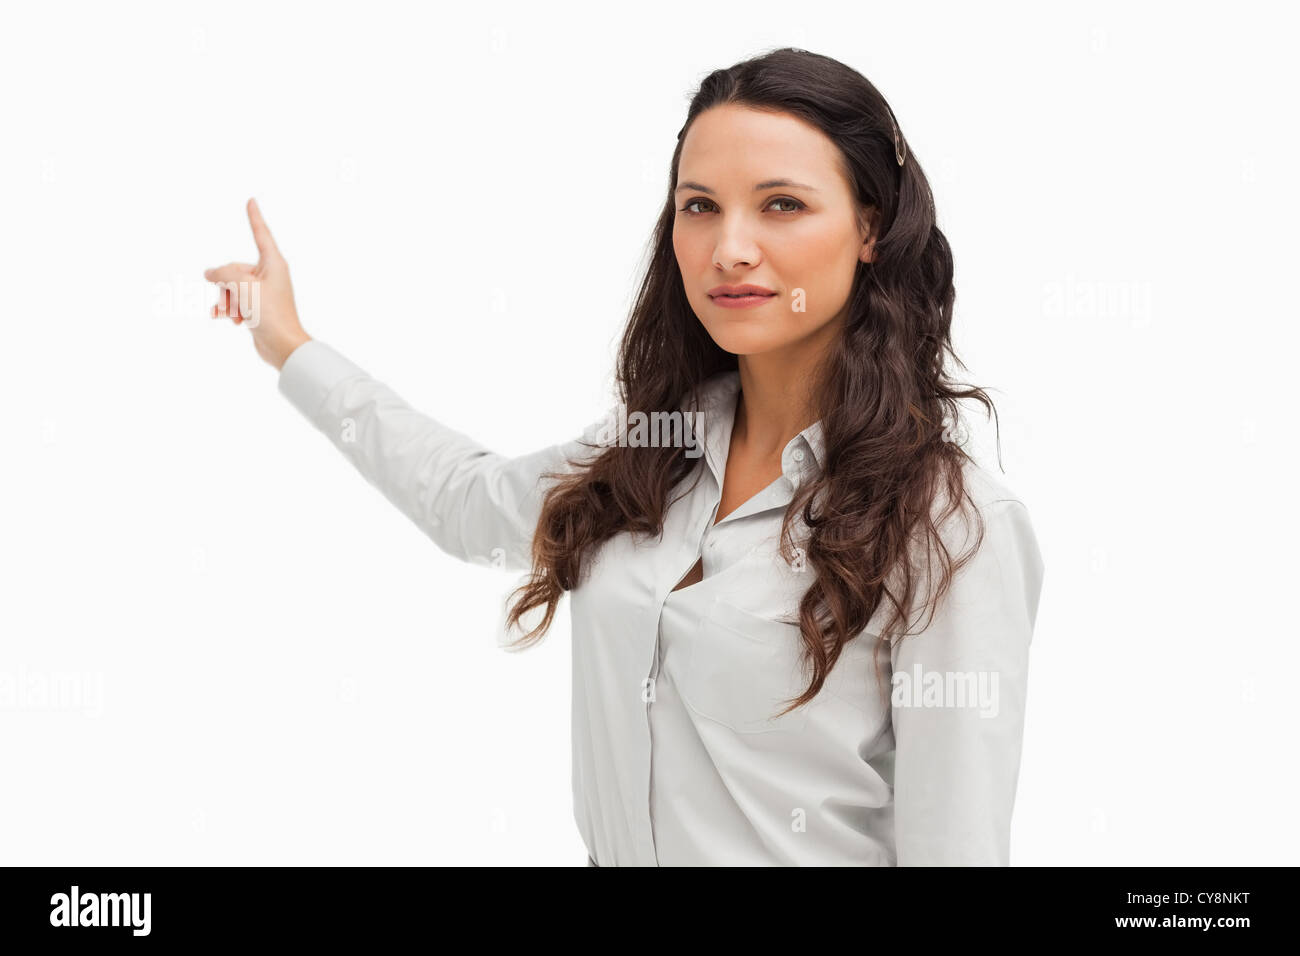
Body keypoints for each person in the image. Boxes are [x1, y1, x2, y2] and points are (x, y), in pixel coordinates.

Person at [204, 48, 1045, 867]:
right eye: (700, 205)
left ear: (870, 226)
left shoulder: (949, 526)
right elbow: (464, 501)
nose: (730, 249)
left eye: (782, 204)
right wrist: (288, 343)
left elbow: (956, 848)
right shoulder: (651, 451)